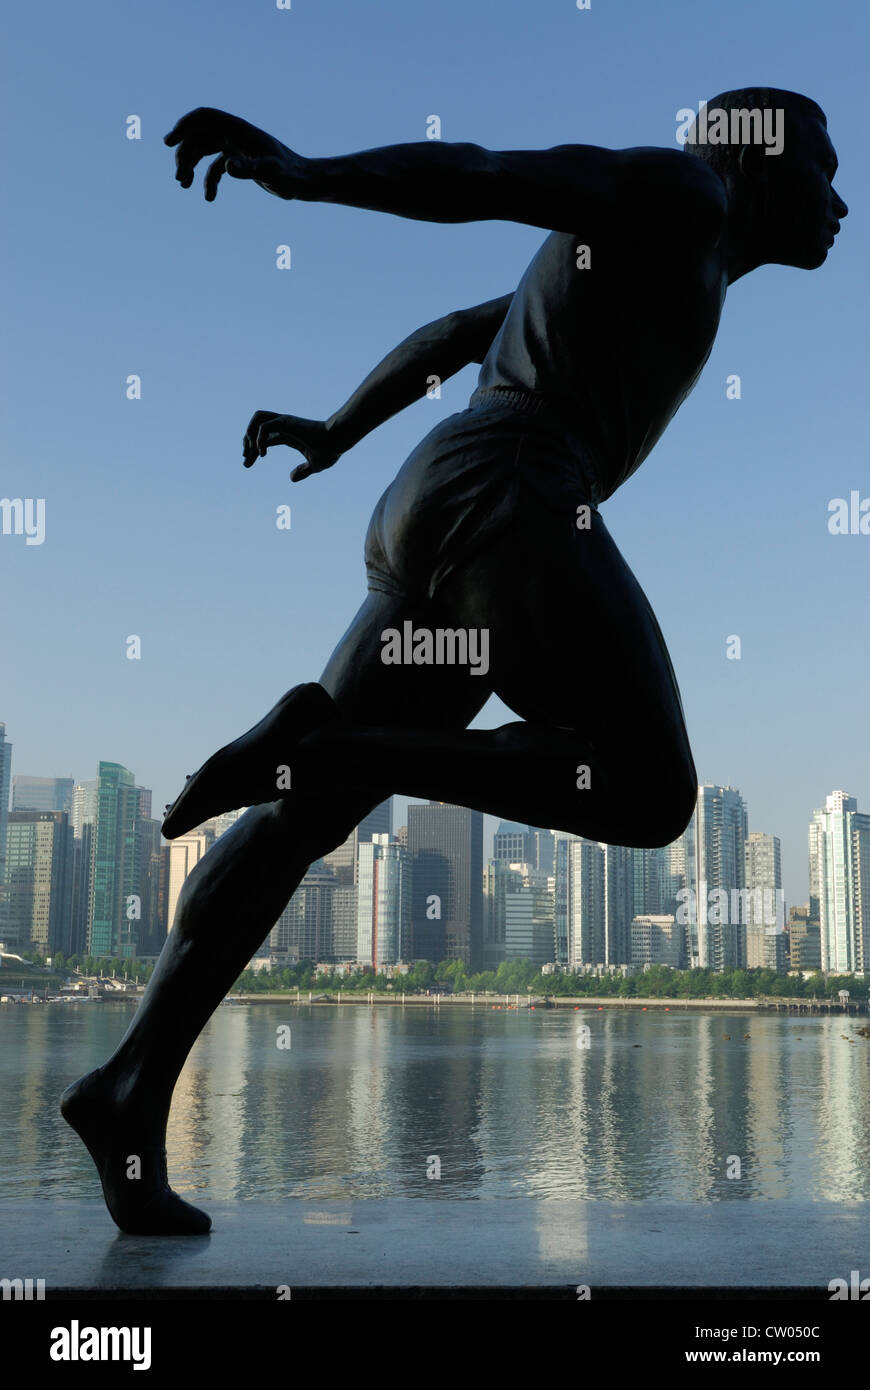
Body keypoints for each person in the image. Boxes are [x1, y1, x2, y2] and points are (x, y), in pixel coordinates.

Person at [61, 89, 846, 1234]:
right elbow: (485, 172)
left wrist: (335, 432)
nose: (839, 200)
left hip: (434, 496)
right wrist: (302, 172)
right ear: (761, 162)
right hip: (515, 492)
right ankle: (332, 743)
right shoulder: (679, 194)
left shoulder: (670, 255)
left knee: (295, 816)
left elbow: (455, 334)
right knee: (650, 788)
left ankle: (129, 1089)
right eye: (821, 169)